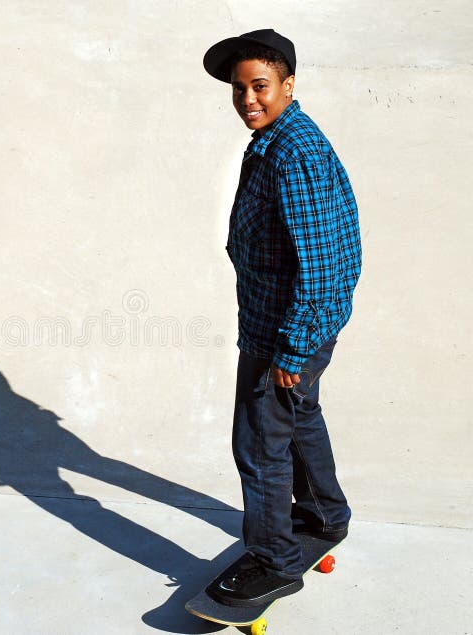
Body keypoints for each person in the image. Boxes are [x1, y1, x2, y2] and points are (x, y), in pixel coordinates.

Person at [201, 29, 362, 607]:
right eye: (240, 88)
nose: (248, 99)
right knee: (298, 418)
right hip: (281, 324)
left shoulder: (295, 153)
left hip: (287, 331)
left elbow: (320, 267)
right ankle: (325, 516)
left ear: (288, 84)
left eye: (261, 86)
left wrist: (293, 350)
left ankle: (272, 560)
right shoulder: (275, 138)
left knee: (260, 442)